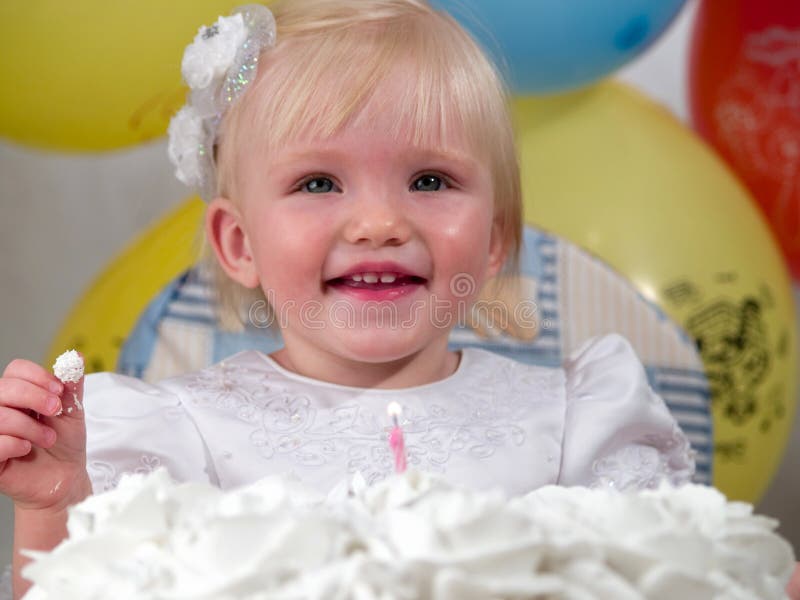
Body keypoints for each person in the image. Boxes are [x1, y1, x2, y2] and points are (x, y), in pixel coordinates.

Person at [1, 0, 732, 597]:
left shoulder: (576, 423)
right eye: (318, 183)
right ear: (239, 244)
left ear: (494, 240)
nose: (380, 223)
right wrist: (52, 510)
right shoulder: (181, 436)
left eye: (430, 180)